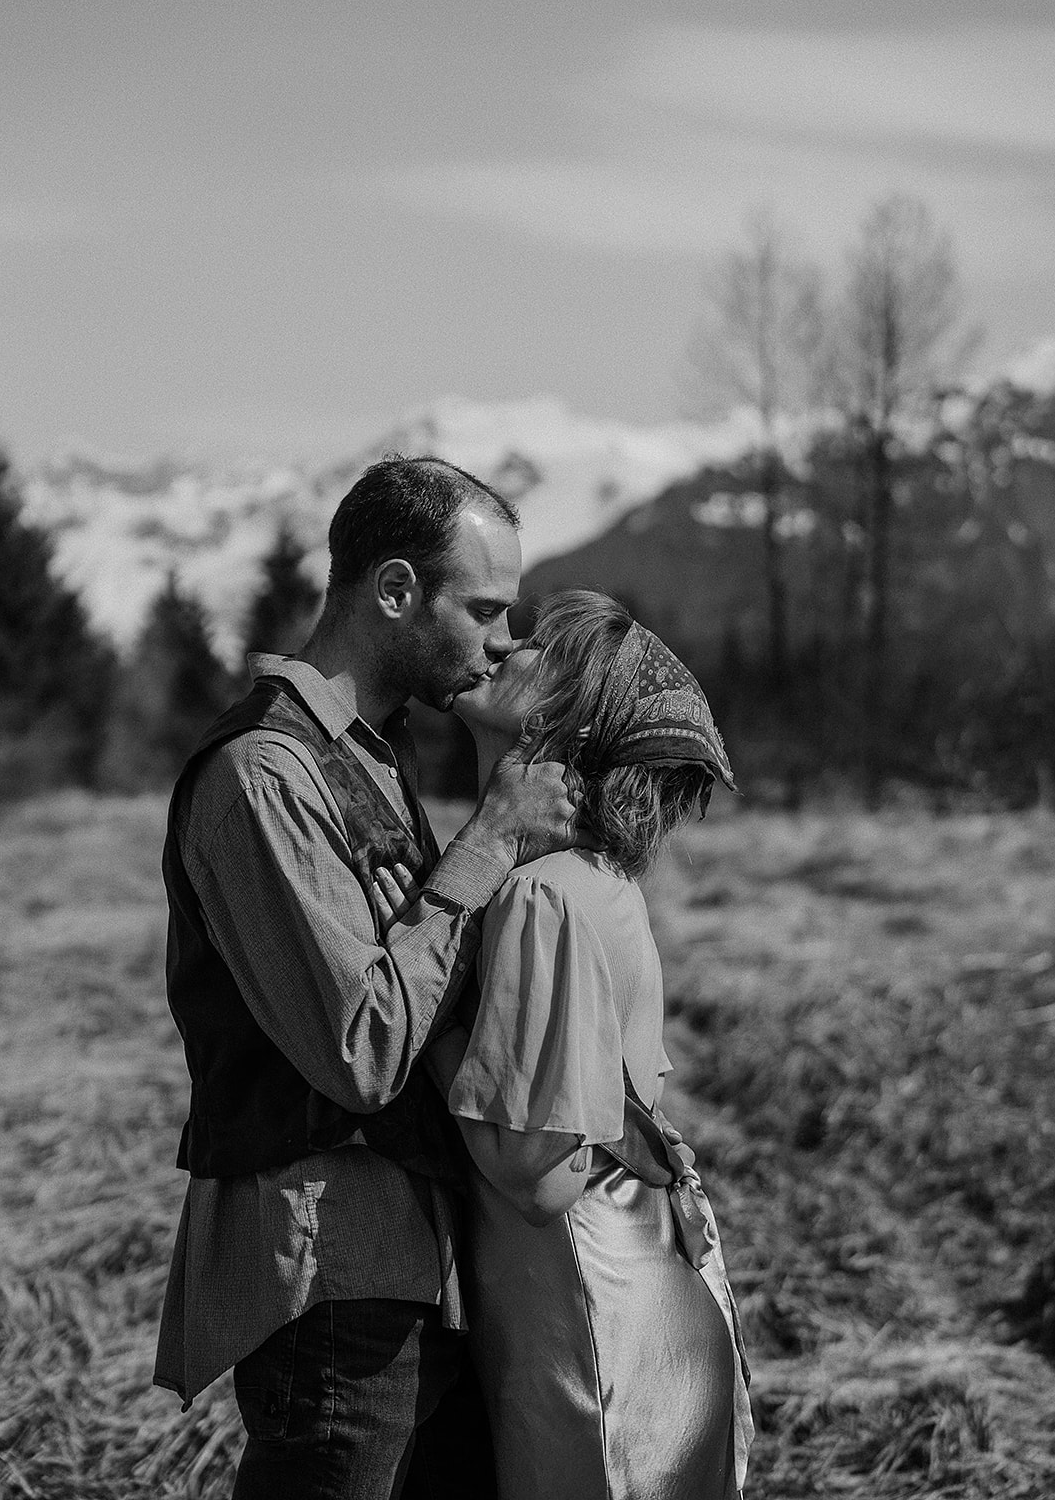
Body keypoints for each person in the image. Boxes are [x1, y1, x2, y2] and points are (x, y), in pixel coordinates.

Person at [153, 454, 587, 1499]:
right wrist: (485, 843)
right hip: (329, 1277)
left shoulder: (368, 759)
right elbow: (364, 1046)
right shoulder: (265, 773)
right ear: (394, 590)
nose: (502, 639)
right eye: (483, 607)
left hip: (408, 1268)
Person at [421, 589, 755, 1500]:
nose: (501, 645)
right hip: (624, 1300)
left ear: (566, 725)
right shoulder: (584, 878)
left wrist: (431, 1036)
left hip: (594, 1325)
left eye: (535, 649)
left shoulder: (546, 896)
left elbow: (539, 1175)